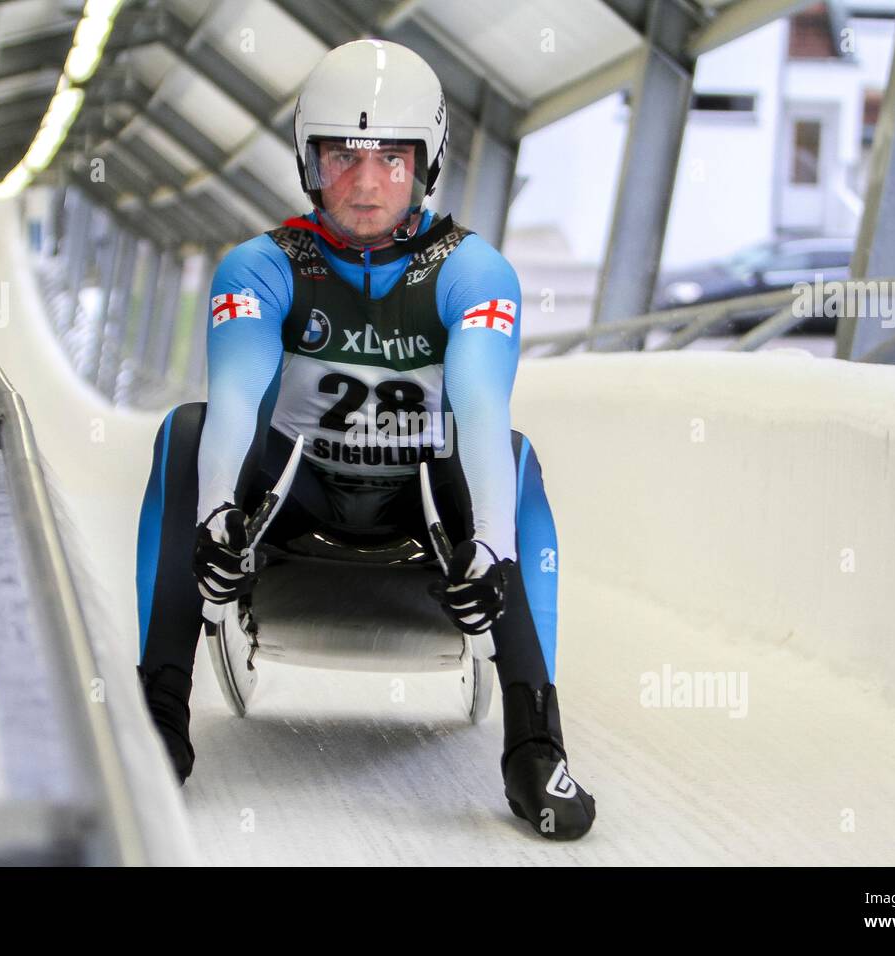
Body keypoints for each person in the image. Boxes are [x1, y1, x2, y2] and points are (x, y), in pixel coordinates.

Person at [135, 38, 595, 840]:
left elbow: (483, 405)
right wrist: (215, 518)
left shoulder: (473, 271)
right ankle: (159, 716)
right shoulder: (261, 266)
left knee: (516, 458)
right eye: (343, 156)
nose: (366, 182)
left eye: (391, 158)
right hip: (295, 491)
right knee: (188, 431)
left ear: (427, 165)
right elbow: (236, 396)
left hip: (420, 503)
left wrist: (489, 546)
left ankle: (534, 746)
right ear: (310, 163)